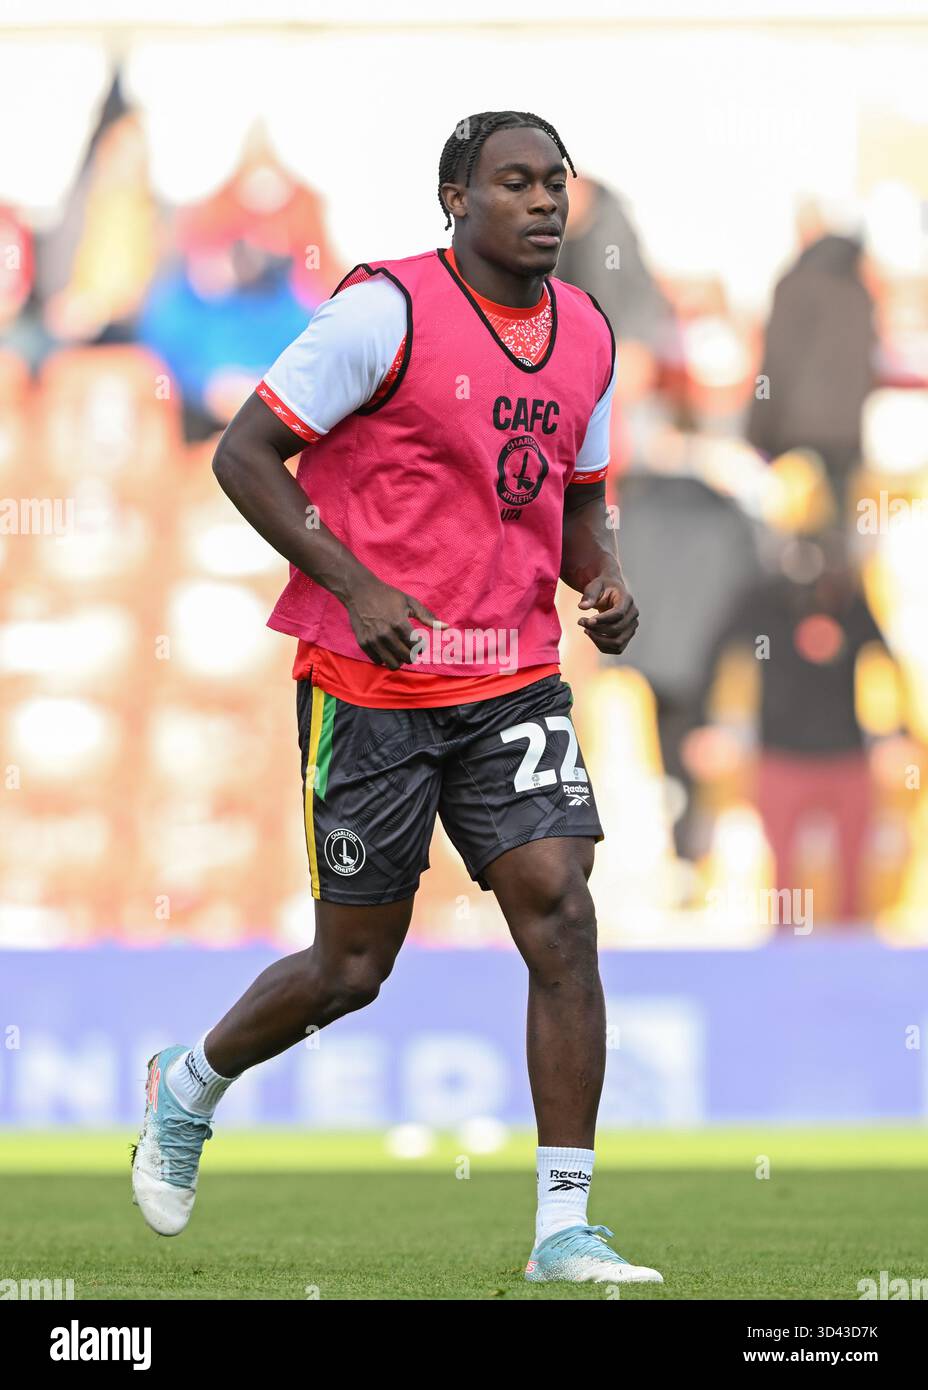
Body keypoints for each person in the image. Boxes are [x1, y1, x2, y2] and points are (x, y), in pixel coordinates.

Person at [131, 110, 661, 1286]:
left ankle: (563, 1228)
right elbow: (245, 454)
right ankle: (190, 1082)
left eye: (556, 184)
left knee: (560, 912)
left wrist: (605, 577)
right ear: (454, 199)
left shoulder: (586, 333)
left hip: (511, 672)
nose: (543, 204)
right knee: (352, 968)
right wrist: (353, 581)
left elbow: (576, 502)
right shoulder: (386, 311)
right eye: (514, 183)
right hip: (369, 679)